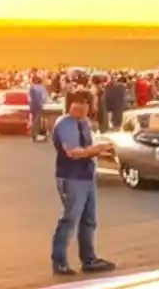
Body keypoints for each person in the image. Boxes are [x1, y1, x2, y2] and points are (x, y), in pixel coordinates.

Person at [49, 89, 116, 276]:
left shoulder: (84, 123)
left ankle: (89, 259)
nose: (91, 108)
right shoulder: (65, 124)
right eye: (89, 104)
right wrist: (97, 149)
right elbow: (73, 152)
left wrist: (102, 152)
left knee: (89, 221)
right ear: (78, 104)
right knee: (70, 220)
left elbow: (86, 150)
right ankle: (59, 261)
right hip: (72, 178)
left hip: (87, 176)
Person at [28, 74, 50, 141]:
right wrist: (43, 102)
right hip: (38, 105)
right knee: (37, 121)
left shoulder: (31, 87)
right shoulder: (41, 88)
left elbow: (29, 98)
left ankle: (33, 134)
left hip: (32, 105)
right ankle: (36, 134)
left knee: (34, 119)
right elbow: (44, 97)